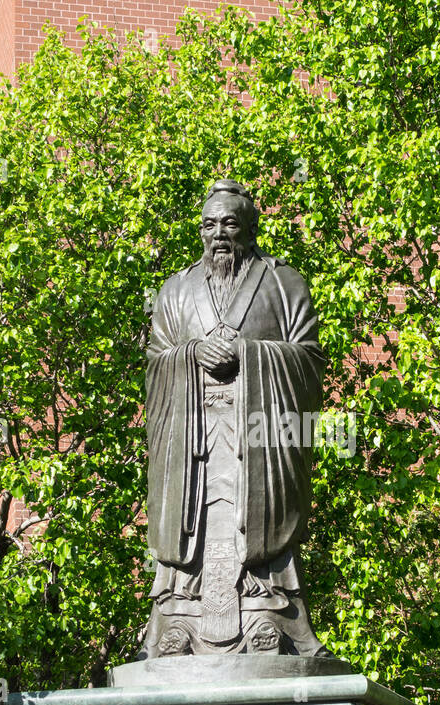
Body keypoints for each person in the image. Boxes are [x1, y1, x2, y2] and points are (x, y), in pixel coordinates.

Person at [140, 180, 332, 658]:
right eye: (210, 225)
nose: (219, 234)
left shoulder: (284, 283)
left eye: (229, 223)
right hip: (193, 438)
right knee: (195, 524)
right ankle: (178, 618)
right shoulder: (175, 290)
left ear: (250, 228)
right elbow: (154, 362)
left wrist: (247, 354)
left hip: (259, 435)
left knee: (257, 521)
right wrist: (191, 355)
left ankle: (270, 616)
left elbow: (309, 360)